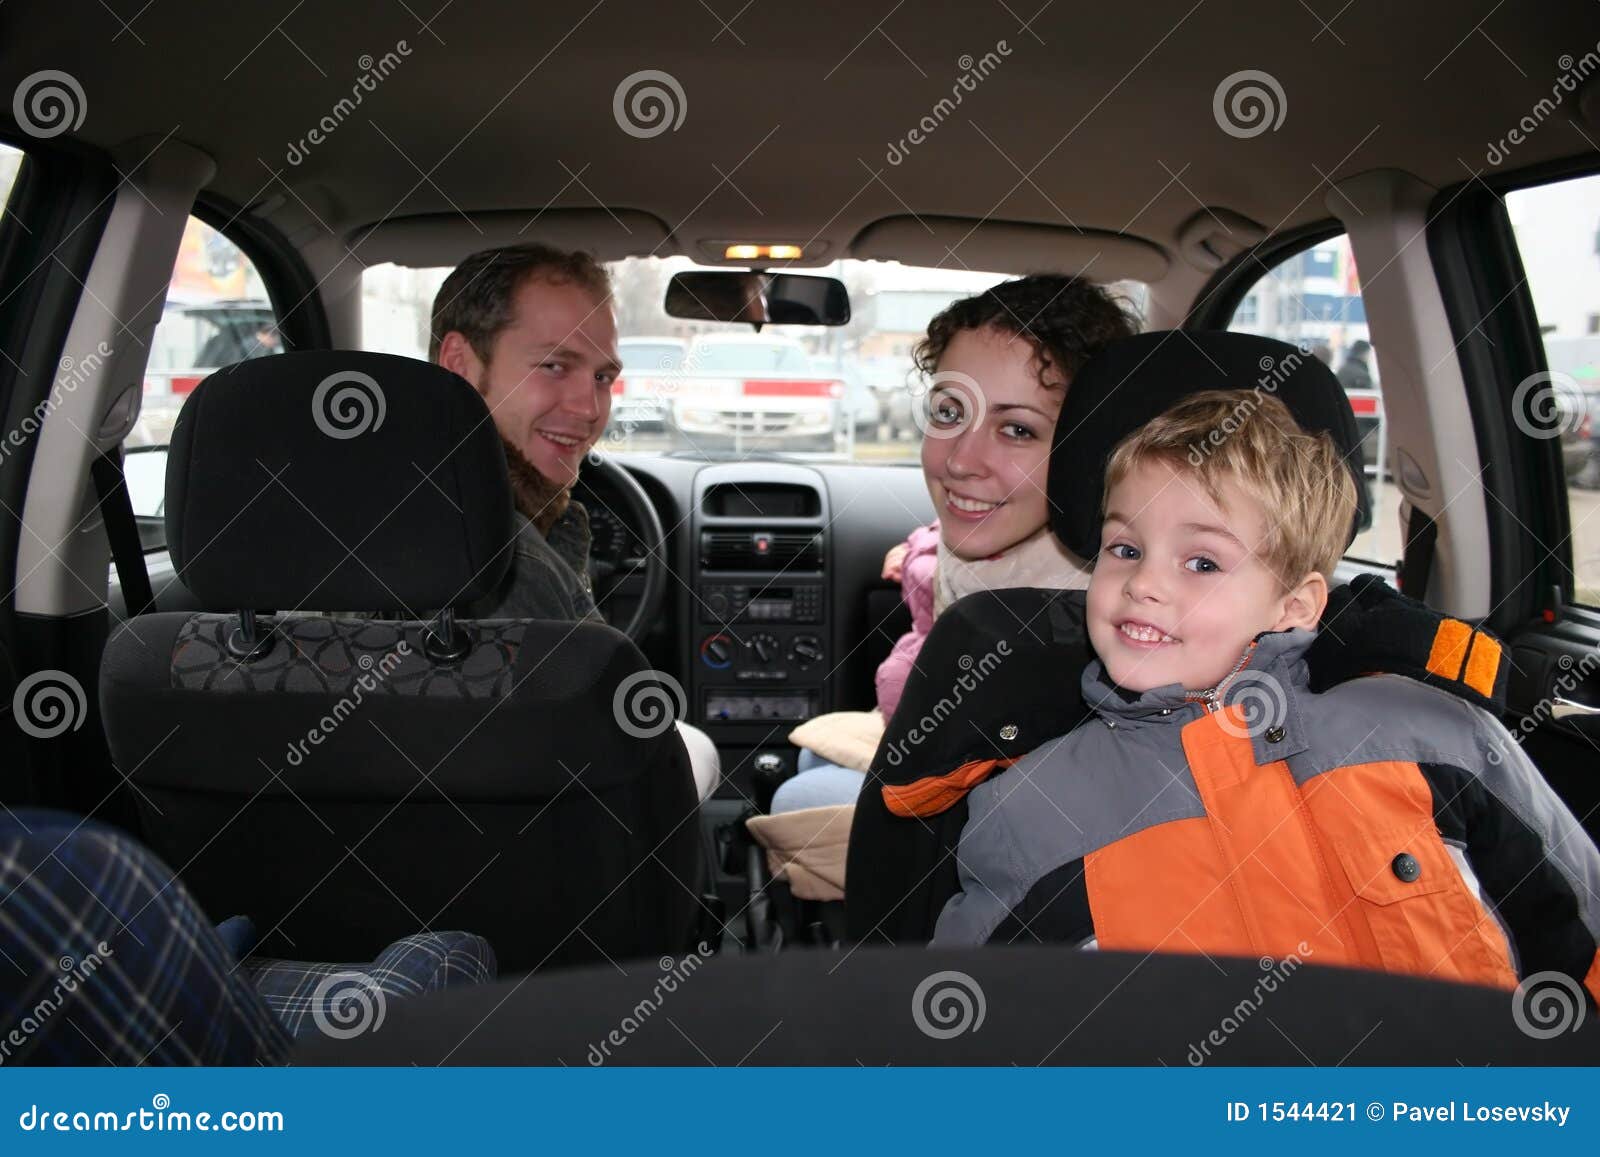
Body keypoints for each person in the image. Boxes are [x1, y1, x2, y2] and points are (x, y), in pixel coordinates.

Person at [930, 390, 1600, 1006]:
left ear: (1295, 603)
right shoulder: (1030, 813)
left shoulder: (1433, 733)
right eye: (1125, 547)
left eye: (1202, 562)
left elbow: (1578, 926)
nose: (1143, 584)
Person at [769, 274, 1138, 813]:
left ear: (1093, 446)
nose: (960, 461)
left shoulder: (1090, 604)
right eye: (949, 413)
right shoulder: (998, 554)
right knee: (811, 763)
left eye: (1017, 430)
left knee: (797, 796)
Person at [430, 243, 720, 801]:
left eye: (604, 377)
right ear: (459, 364)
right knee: (693, 755)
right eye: (555, 366)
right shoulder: (506, 560)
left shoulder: (313, 526)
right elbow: (614, 772)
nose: (589, 409)